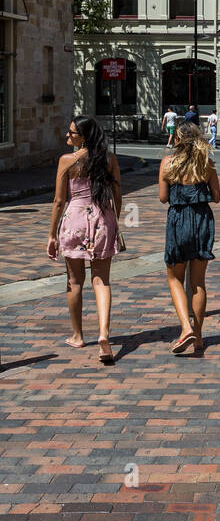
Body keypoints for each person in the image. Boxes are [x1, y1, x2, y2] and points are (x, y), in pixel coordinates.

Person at [46, 117, 123, 365]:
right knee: (101, 281)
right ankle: (103, 334)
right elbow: (118, 195)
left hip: (74, 219)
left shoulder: (67, 161)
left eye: (71, 134)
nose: (67, 138)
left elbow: (59, 201)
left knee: (74, 281)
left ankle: (78, 335)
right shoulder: (109, 160)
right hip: (102, 217)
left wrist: (51, 234)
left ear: (83, 137)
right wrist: (112, 222)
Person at [159, 121, 220, 355]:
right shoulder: (207, 164)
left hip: (177, 220)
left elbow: (163, 198)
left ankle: (185, 327)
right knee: (198, 282)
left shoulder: (167, 163)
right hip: (202, 220)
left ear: (177, 139)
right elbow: (217, 197)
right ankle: (199, 335)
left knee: (175, 277)